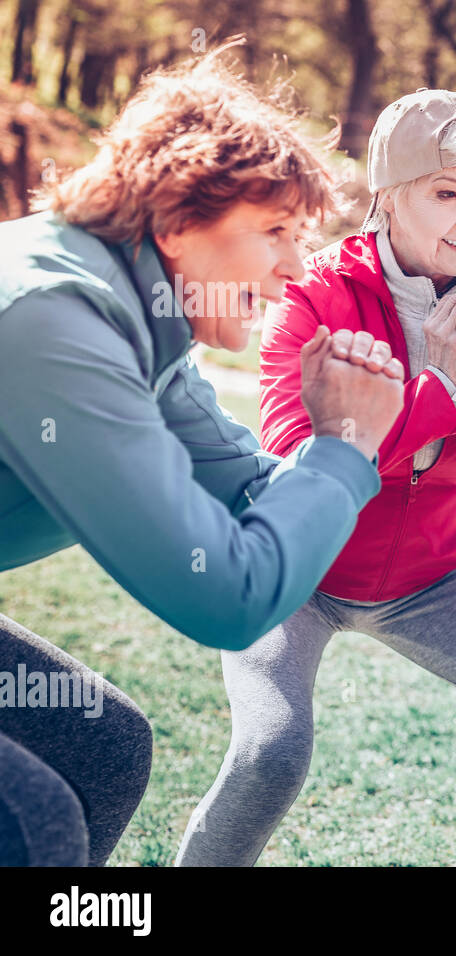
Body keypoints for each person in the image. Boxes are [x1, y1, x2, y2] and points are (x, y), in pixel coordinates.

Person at [177, 90, 456, 867]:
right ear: (388, 197)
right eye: (447, 194)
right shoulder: (316, 295)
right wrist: (435, 395)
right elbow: (289, 480)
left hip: (435, 577)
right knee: (272, 752)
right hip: (295, 571)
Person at [0, 46, 404, 866]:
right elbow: (225, 596)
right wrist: (342, 447)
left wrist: (355, 449)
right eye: (276, 232)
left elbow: (255, 488)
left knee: (104, 751)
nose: (298, 270)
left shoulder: (142, 318)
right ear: (179, 221)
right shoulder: (56, 317)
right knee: (33, 819)